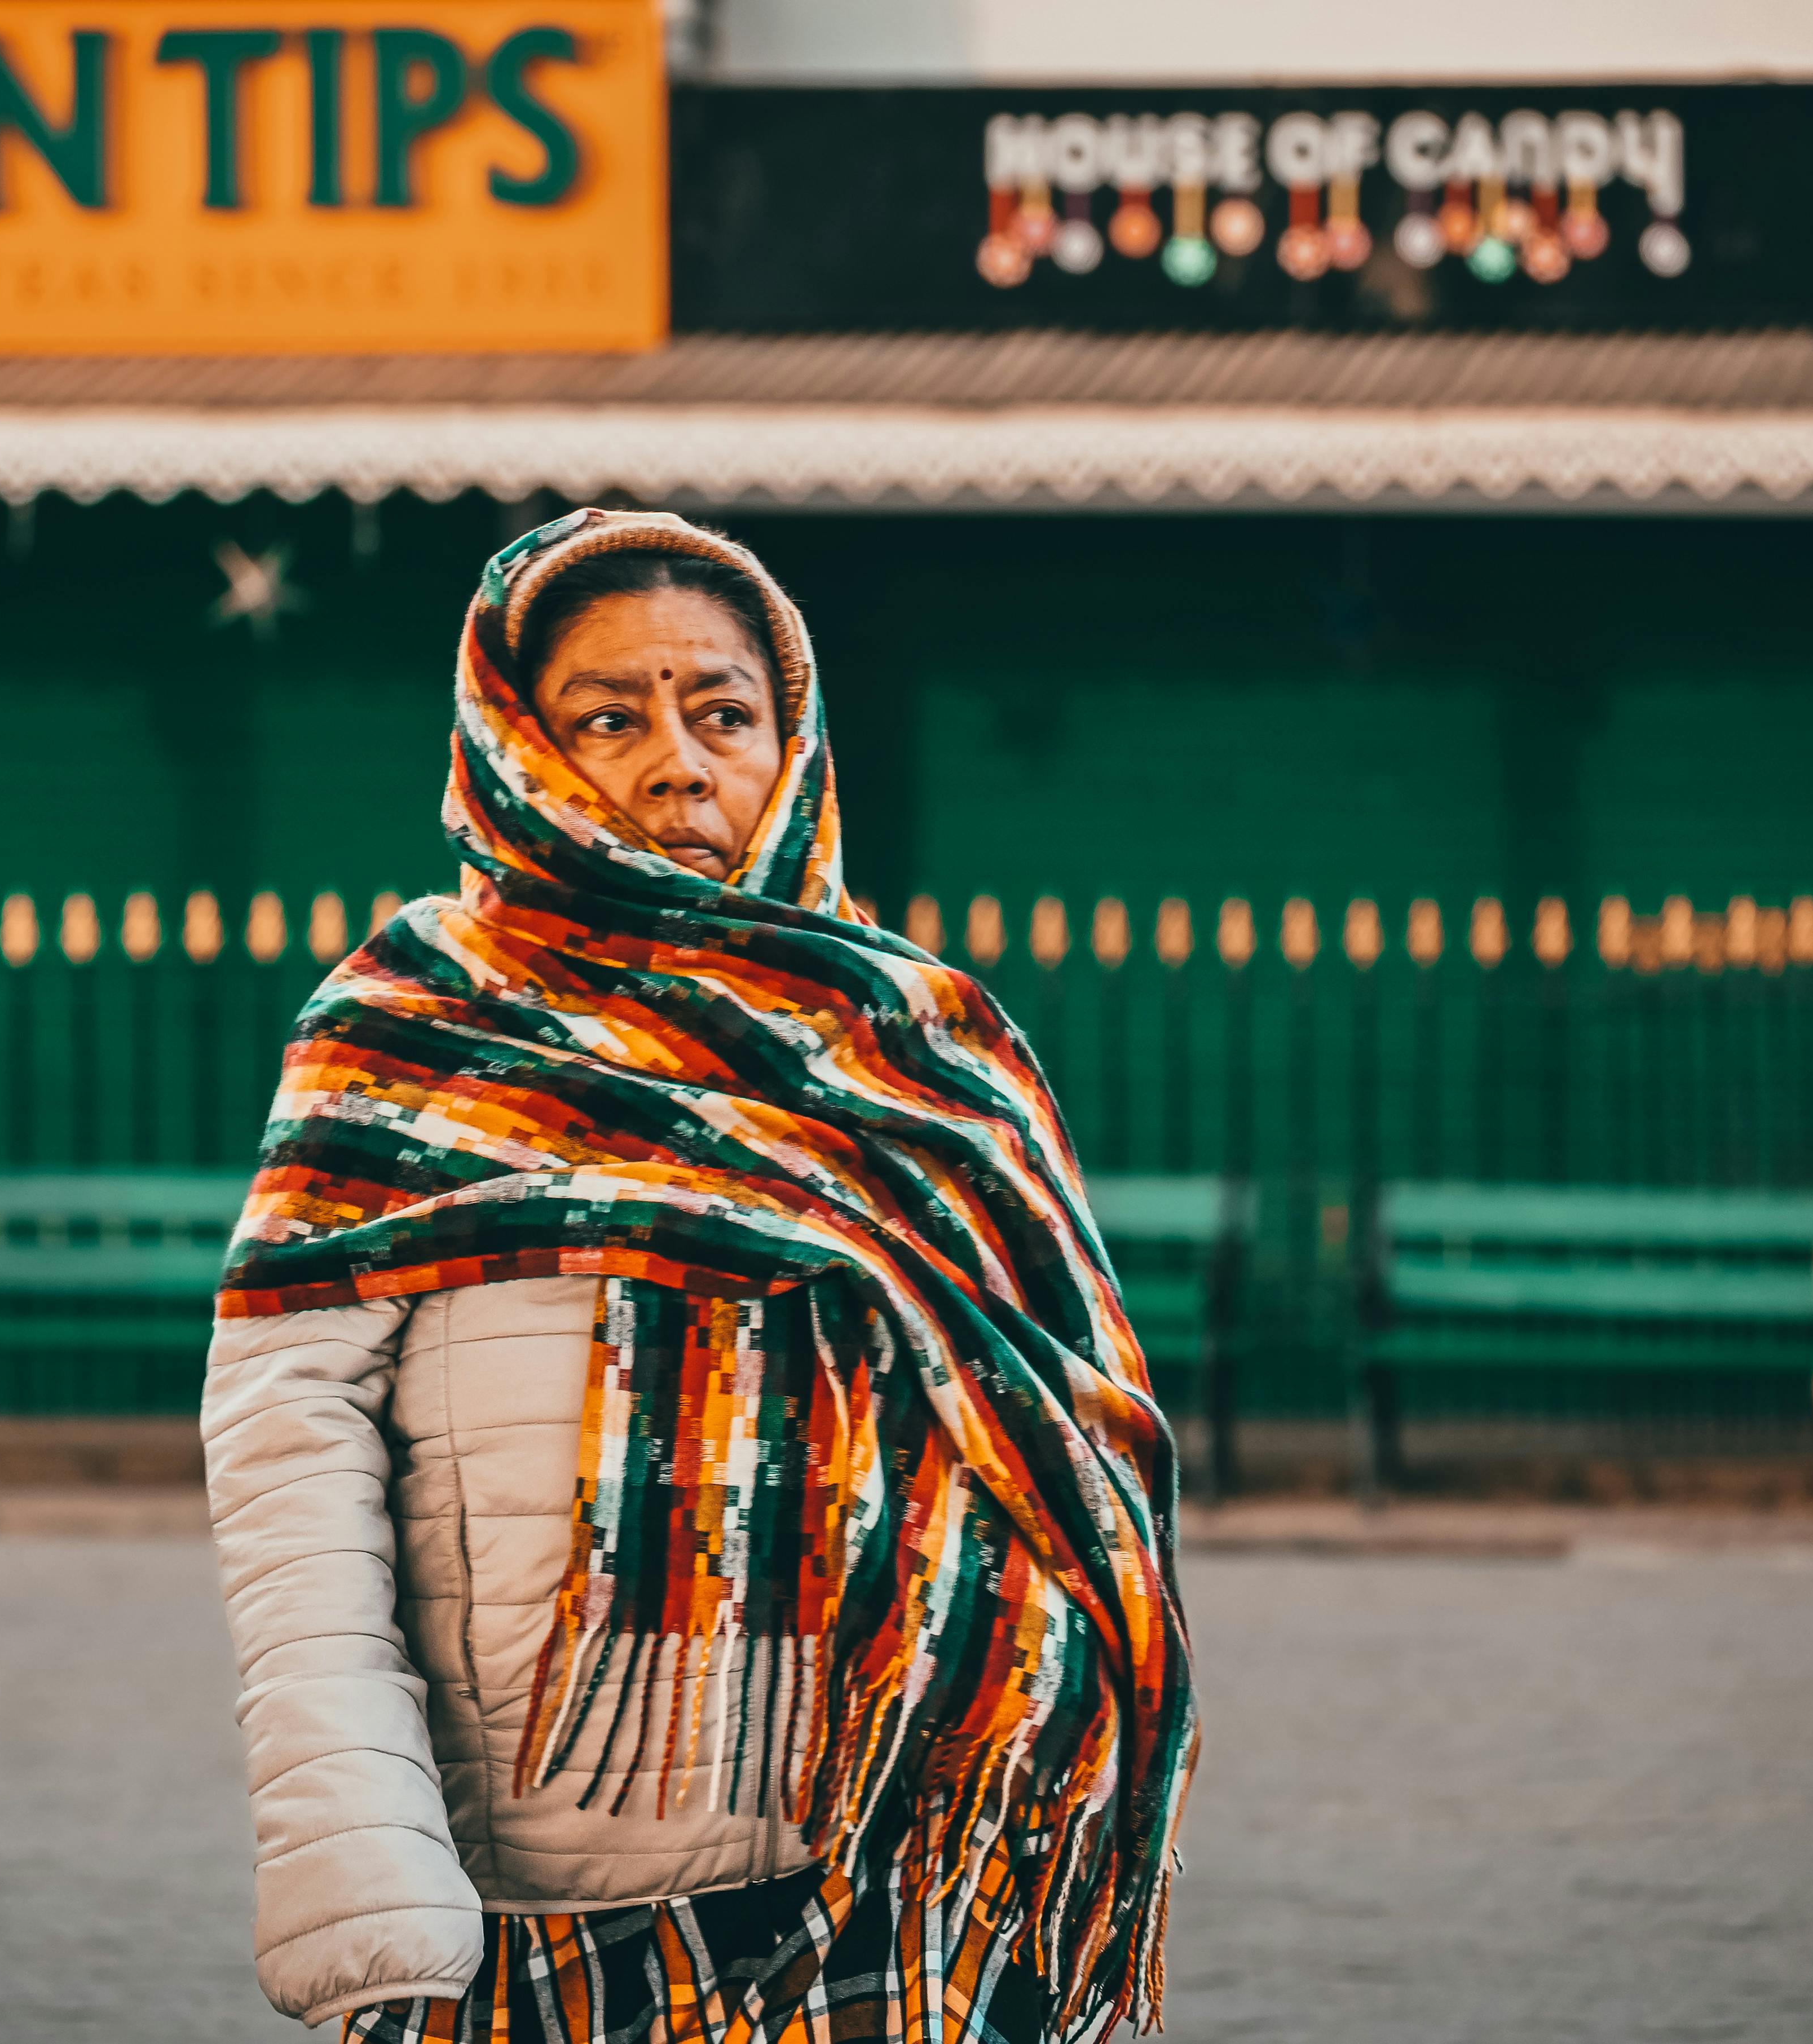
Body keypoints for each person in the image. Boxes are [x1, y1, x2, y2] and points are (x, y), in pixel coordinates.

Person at [203, 511, 1197, 2044]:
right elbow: (292, 1471)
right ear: (518, 746)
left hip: (893, 1862)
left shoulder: (928, 1051)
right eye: (613, 717)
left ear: (789, 743)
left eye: (723, 712)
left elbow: (1069, 1441)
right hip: (552, 1889)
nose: (680, 763)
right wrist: (368, 1868)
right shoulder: (404, 1034)